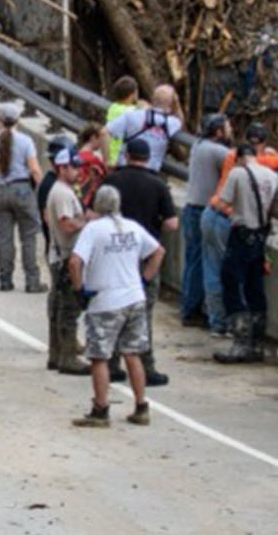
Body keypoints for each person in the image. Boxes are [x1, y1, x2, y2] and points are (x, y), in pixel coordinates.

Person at [69, 185, 163, 428]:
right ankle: (141, 405)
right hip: (133, 296)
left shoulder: (93, 230)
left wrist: (79, 289)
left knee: (99, 357)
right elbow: (157, 251)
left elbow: (75, 260)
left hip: (105, 300)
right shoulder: (132, 227)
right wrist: (145, 278)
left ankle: (101, 409)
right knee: (132, 353)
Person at [104, 137, 179, 387]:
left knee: (113, 308)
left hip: (115, 254)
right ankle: (146, 366)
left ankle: (111, 364)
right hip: (145, 255)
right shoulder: (158, 185)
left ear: (126, 155)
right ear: (147, 158)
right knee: (142, 313)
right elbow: (171, 223)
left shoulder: (113, 181)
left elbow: (96, 212)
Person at [211, 141, 278, 364]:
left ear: (237, 157)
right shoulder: (270, 174)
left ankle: (240, 343)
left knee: (232, 285)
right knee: (255, 287)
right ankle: (256, 343)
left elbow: (222, 202)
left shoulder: (237, 173)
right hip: (260, 236)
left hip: (240, 233)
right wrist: (266, 208)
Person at [0, 102, 45, 293]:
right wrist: (42, 192)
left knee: (5, 238)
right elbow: (34, 169)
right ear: (18, 120)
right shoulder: (26, 141)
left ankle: (5, 280)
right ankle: (32, 281)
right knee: (29, 237)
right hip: (22, 190)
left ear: (0, 119)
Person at [179, 114, 234, 331]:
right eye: (227, 127)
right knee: (205, 262)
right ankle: (196, 310)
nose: (230, 130)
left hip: (191, 207)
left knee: (192, 260)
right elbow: (238, 162)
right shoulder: (217, 151)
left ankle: (189, 306)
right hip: (204, 210)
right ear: (218, 132)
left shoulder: (197, 145)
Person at [44, 146, 91, 375]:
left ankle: (58, 353)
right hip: (65, 255)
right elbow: (66, 224)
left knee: (59, 308)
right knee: (68, 309)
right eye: (74, 167)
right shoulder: (62, 193)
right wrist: (86, 221)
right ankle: (67, 357)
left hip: (59, 253)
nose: (78, 171)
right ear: (62, 168)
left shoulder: (62, 190)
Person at [105, 85, 181, 174]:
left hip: (124, 167)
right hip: (149, 172)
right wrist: (177, 103)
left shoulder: (133, 114)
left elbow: (104, 132)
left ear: (152, 98)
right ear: (172, 103)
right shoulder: (172, 123)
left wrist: (107, 161)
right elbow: (180, 119)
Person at [101, 77, 141, 165]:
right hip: (120, 156)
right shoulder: (132, 111)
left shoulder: (113, 107)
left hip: (110, 152)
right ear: (132, 94)